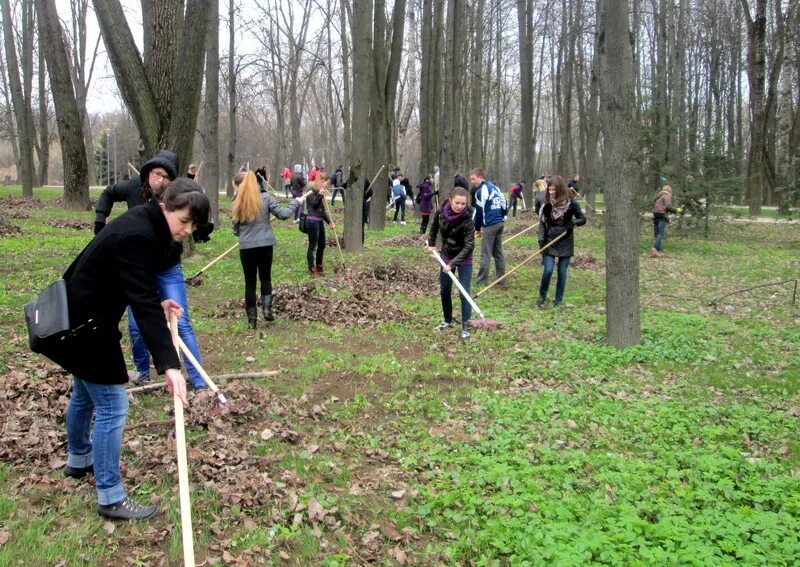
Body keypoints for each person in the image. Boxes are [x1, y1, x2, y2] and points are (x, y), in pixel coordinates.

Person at [63, 181, 209, 521]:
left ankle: (78, 460)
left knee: (84, 395)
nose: (187, 231)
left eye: (193, 226)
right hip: (86, 323)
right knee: (113, 405)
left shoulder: (144, 224)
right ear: (166, 206)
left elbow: (135, 286)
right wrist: (170, 366)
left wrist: (157, 304)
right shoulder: (138, 234)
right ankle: (110, 497)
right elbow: (140, 302)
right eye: (184, 221)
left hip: (83, 312)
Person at [94, 151, 206, 389]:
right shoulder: (133, 188)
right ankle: (143, 373)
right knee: (137, 324)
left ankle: (199, 381)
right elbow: (108, 193)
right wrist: (100, 219)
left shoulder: (176, 199)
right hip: (137, 266)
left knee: (180, 320)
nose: (161, 180)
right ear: (148, 173)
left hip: (167, 266)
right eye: (158, 174)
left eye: (167, 177)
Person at [232, 171, 301, 328]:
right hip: (265, 245)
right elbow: (283, 214)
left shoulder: (237, 202)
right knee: (265, 278)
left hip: (247, 247)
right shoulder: (267, 198)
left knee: (249, 283)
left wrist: (243, 231)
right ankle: (267, 310)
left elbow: (235, 230)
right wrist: (295, 202)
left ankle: (252, 320)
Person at [427, 187, 475, 340]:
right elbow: (434, 227)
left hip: (464, 258)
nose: (460, 206)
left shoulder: (468, 219)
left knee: (464, 292)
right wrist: (432, 243)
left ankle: (466, 326)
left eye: (463, 204)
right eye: (457, 203)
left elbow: (469, 246)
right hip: (447, 254)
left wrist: (453, 263)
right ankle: (447, 320)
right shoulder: (441, 213)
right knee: (445, 290)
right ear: (450, 201)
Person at [536, 176, 586, 307]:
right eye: (550, 189)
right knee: (548, 270)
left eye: (554, 190)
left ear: (560, 189)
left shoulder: (571, 203)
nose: (551, 192)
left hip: (565, 241)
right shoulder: (547, 203)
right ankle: (542, 297)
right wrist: (541, 239)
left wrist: (573, 223)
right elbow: (542, 223)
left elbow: (583, 218)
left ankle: (558, 301)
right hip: (550, 240)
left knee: (562, 272)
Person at [471, 168, 507, 287]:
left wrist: (477, 227)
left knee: (486, 253)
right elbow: (504, 202)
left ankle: (482, 280)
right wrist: (503, 215)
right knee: (498, 252)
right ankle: (501, 280)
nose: (472, 181)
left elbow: (479, 211)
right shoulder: (495, 187)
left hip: (490, 225)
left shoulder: (481, 191)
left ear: (480, 177)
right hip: (499, 223)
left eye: (473, 178)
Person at [305, 171, 335, 277]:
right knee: (313, 246)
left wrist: (329, 222)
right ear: (321, 181)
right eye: (326, 183)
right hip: (312, 221)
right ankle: (312, 269)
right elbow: (313, 204)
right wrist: (320, 195)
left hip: (319, 221)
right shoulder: (311, 190)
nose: (327, 185)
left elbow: (322, 210)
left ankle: (319, 266)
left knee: (322, 245)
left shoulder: (320, 191)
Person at [649, 184, 679, 256]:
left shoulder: (658, 197)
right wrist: (676, 210)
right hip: (662, 216)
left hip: (655, 215)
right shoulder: (667, 195)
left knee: (656, 233)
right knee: (660, 233)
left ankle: (657, 248)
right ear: (669, 190)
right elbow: (668, 206)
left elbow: (653, 204)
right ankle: (655, 248)